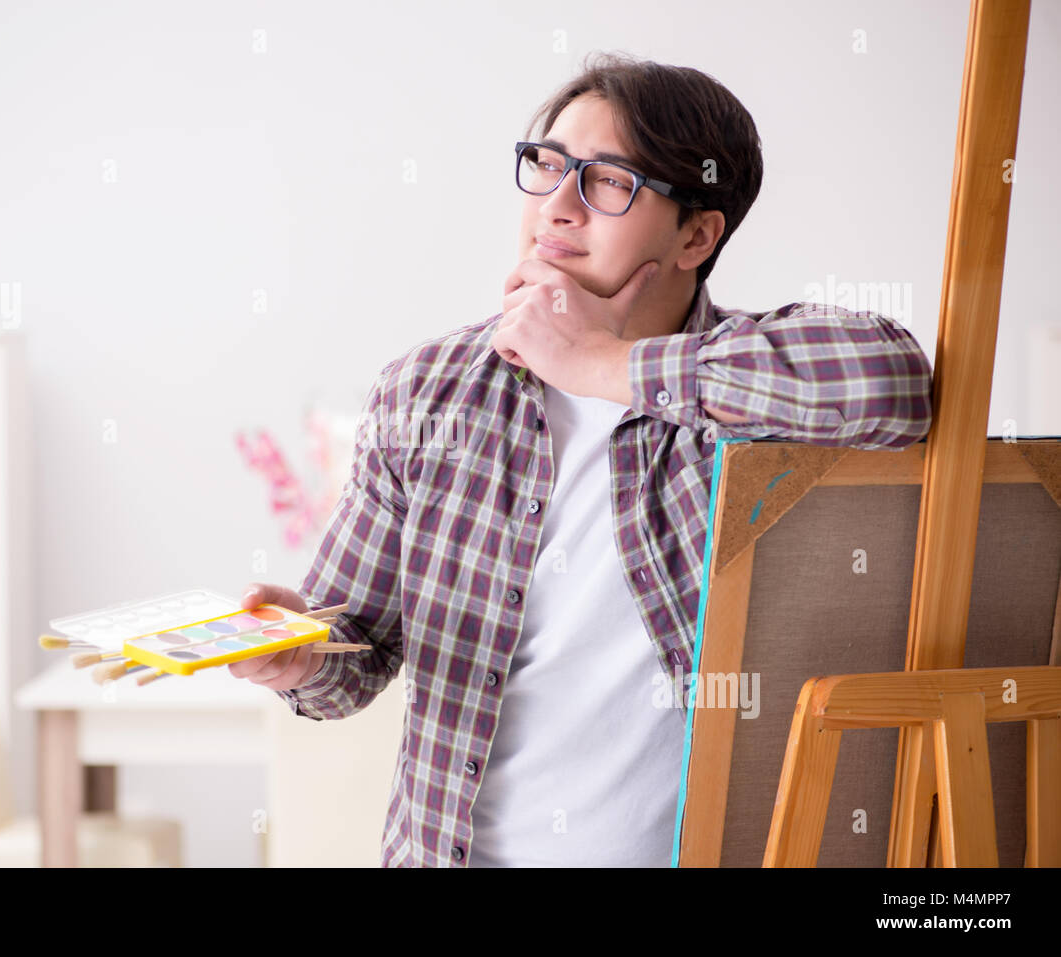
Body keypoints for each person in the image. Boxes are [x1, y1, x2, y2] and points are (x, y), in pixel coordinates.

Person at [227, 51, 933, 867]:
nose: (557, 206)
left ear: (697, 234)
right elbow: (355, 654)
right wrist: (296, 656)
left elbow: (895, 380)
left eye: (608, 182)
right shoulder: (427, 392)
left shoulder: (751, 380)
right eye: (548, 166)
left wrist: (598, 364)